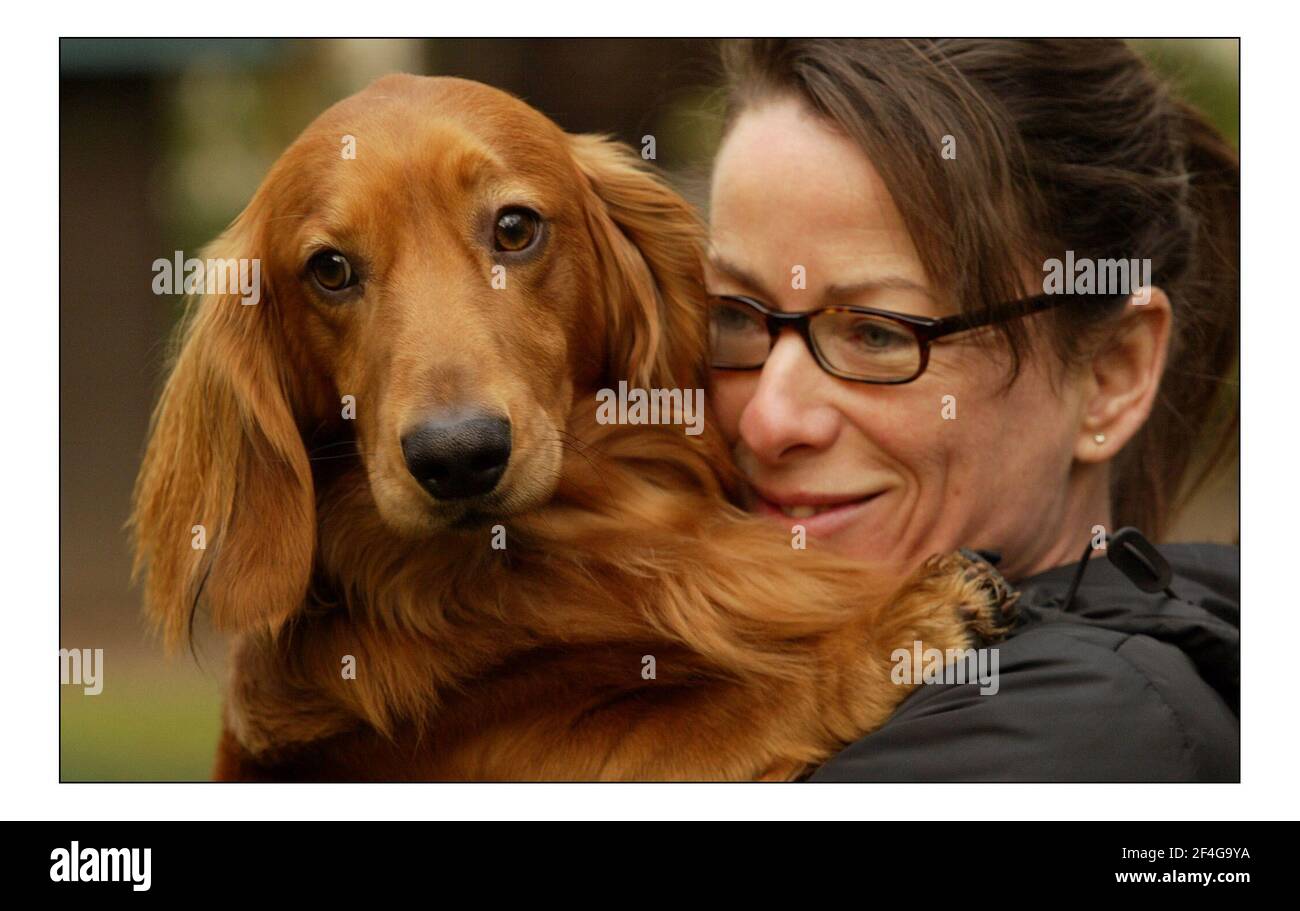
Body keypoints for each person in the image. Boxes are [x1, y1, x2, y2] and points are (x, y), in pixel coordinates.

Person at [705, 38, 1239, 780]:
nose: (767, 420)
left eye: (879, 333)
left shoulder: (1075, 728)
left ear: (1111, 375)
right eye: (734, 315)